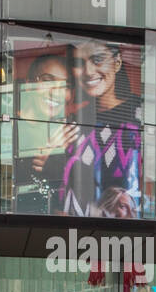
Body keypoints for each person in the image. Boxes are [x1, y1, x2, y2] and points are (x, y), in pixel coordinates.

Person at [60, 40, 142, 218]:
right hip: (75, 231)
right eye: (78, 64)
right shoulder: (71, 120)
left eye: (97, 59)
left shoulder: (141, 113)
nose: (88, 71)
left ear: (117, 62)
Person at [16, 52, 77, 214]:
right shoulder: (8, 126)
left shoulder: (69, 132)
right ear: (28, 85)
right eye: (48, 80)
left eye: (65, 86)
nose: (56, 92)